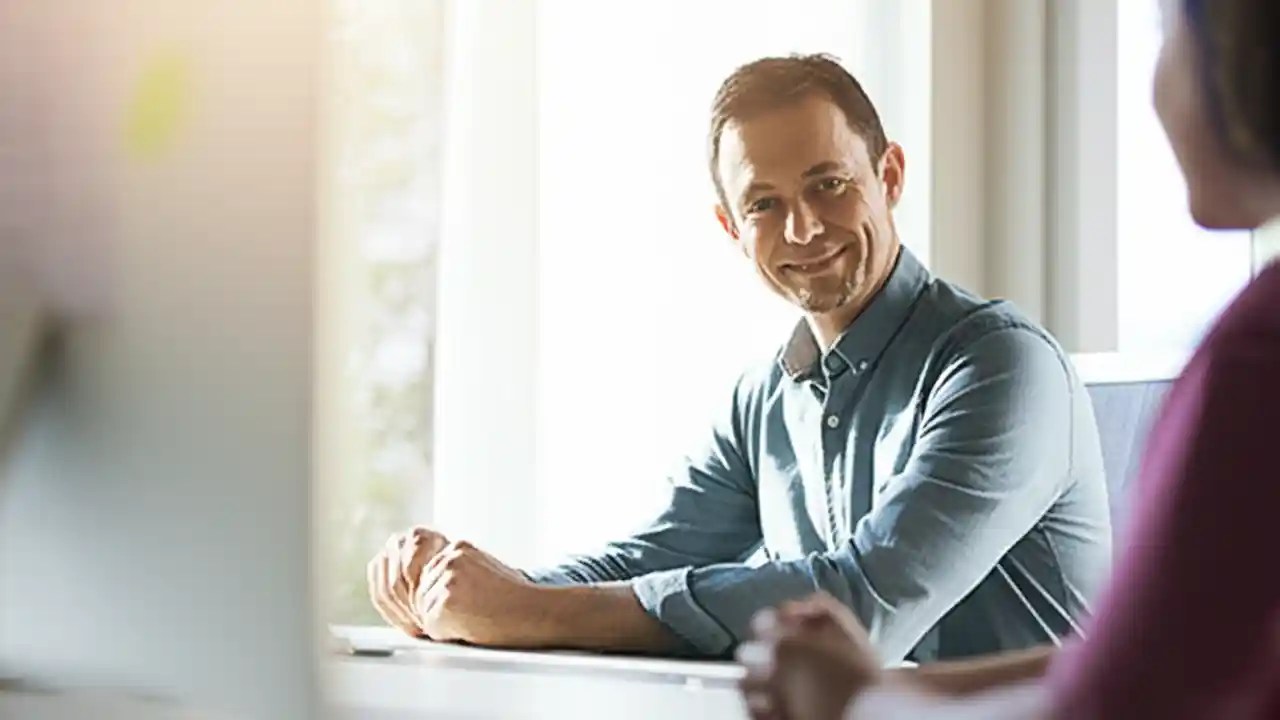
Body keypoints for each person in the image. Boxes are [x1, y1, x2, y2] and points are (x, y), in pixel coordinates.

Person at [366, 54, 1112, 662]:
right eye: (764, 204)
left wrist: (524, 610)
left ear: (888, 178)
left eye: (830, 184)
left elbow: (861, 612)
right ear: (730, 225)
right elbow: (650, 559)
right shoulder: (763, 399)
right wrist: (465, 593)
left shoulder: (1001, 366)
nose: (802, 228)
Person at [737, 0, 1280, 717]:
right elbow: (1159, 648)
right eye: (764, 204)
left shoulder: (1255, 357)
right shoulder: (762, 396)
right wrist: (882, 688)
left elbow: (1130, 699)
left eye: (1165, 33)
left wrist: (861, 708)